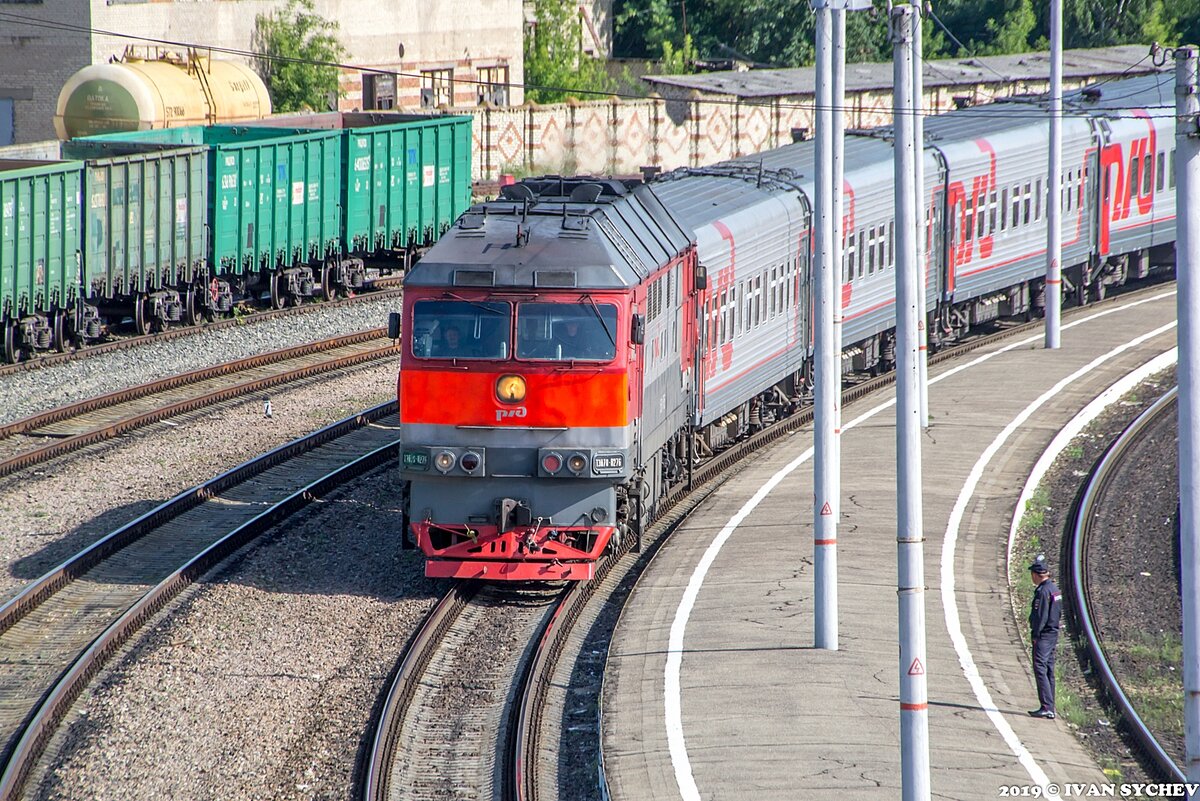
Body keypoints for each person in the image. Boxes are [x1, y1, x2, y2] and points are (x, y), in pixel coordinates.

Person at [1027, 554, 1063, 719]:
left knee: (1040, 667)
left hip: (1044, 635)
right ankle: (1050, 706)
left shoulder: (1043, 592)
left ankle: (1046, 706)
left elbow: (1040, 616)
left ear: (1036, 574)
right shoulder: (1055, 590)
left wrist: (1035, 634)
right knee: (1048, 669)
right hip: (1053, 632)